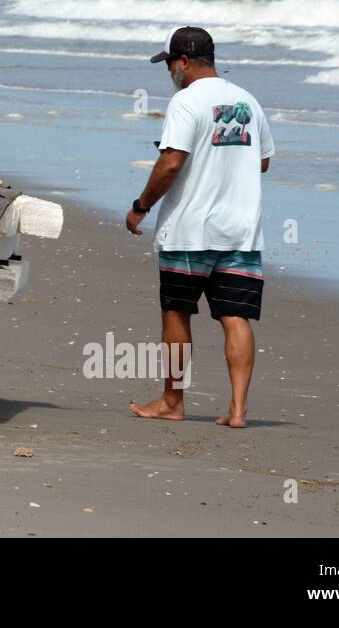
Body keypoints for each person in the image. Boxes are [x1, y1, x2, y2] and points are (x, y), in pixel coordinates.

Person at [124, 26, 273, 428]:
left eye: (170, 63)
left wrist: (140, 206)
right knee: (235, 316)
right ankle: (239, 409)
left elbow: (171, 162)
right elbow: (262, 161)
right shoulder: (247, 100)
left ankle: (173, 402)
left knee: (176, 312)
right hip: (240, 228)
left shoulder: (186, 101)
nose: (169, 71)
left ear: (185, 62)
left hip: (190, 229)